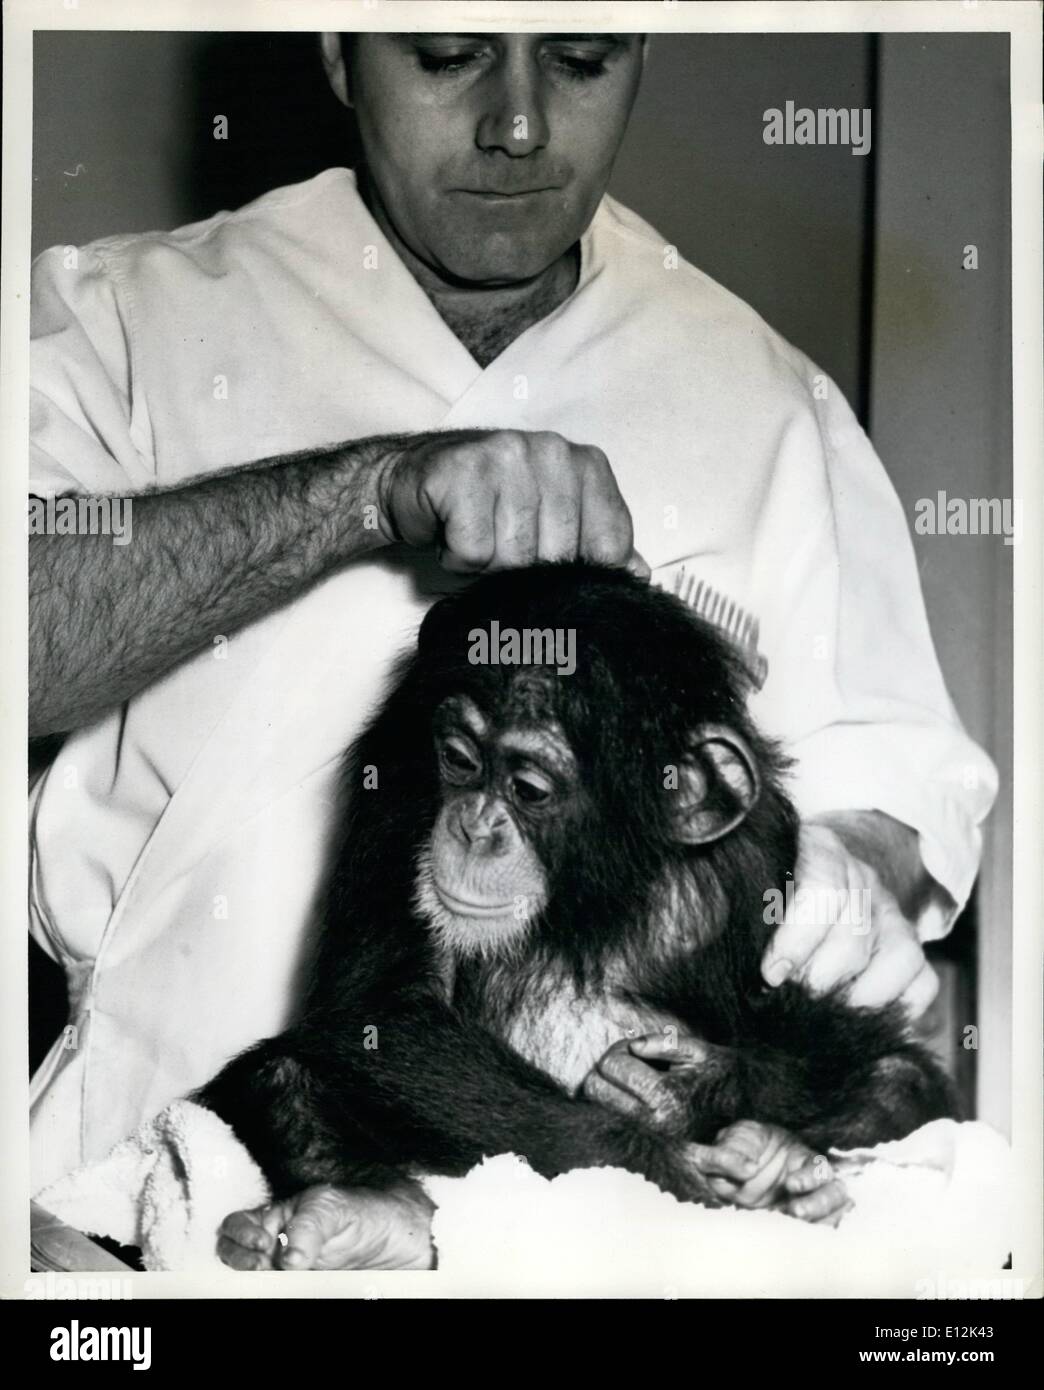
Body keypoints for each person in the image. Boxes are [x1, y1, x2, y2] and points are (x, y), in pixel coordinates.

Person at [28, 33, 996, 1269]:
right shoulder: (127, 316)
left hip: (605, 1246)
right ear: (336, 43)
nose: (521, 126)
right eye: (448, 54)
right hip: (144, 1195)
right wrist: (362, 495)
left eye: (583, 60)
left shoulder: (767, 397)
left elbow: (895, 794)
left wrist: (833, 875)